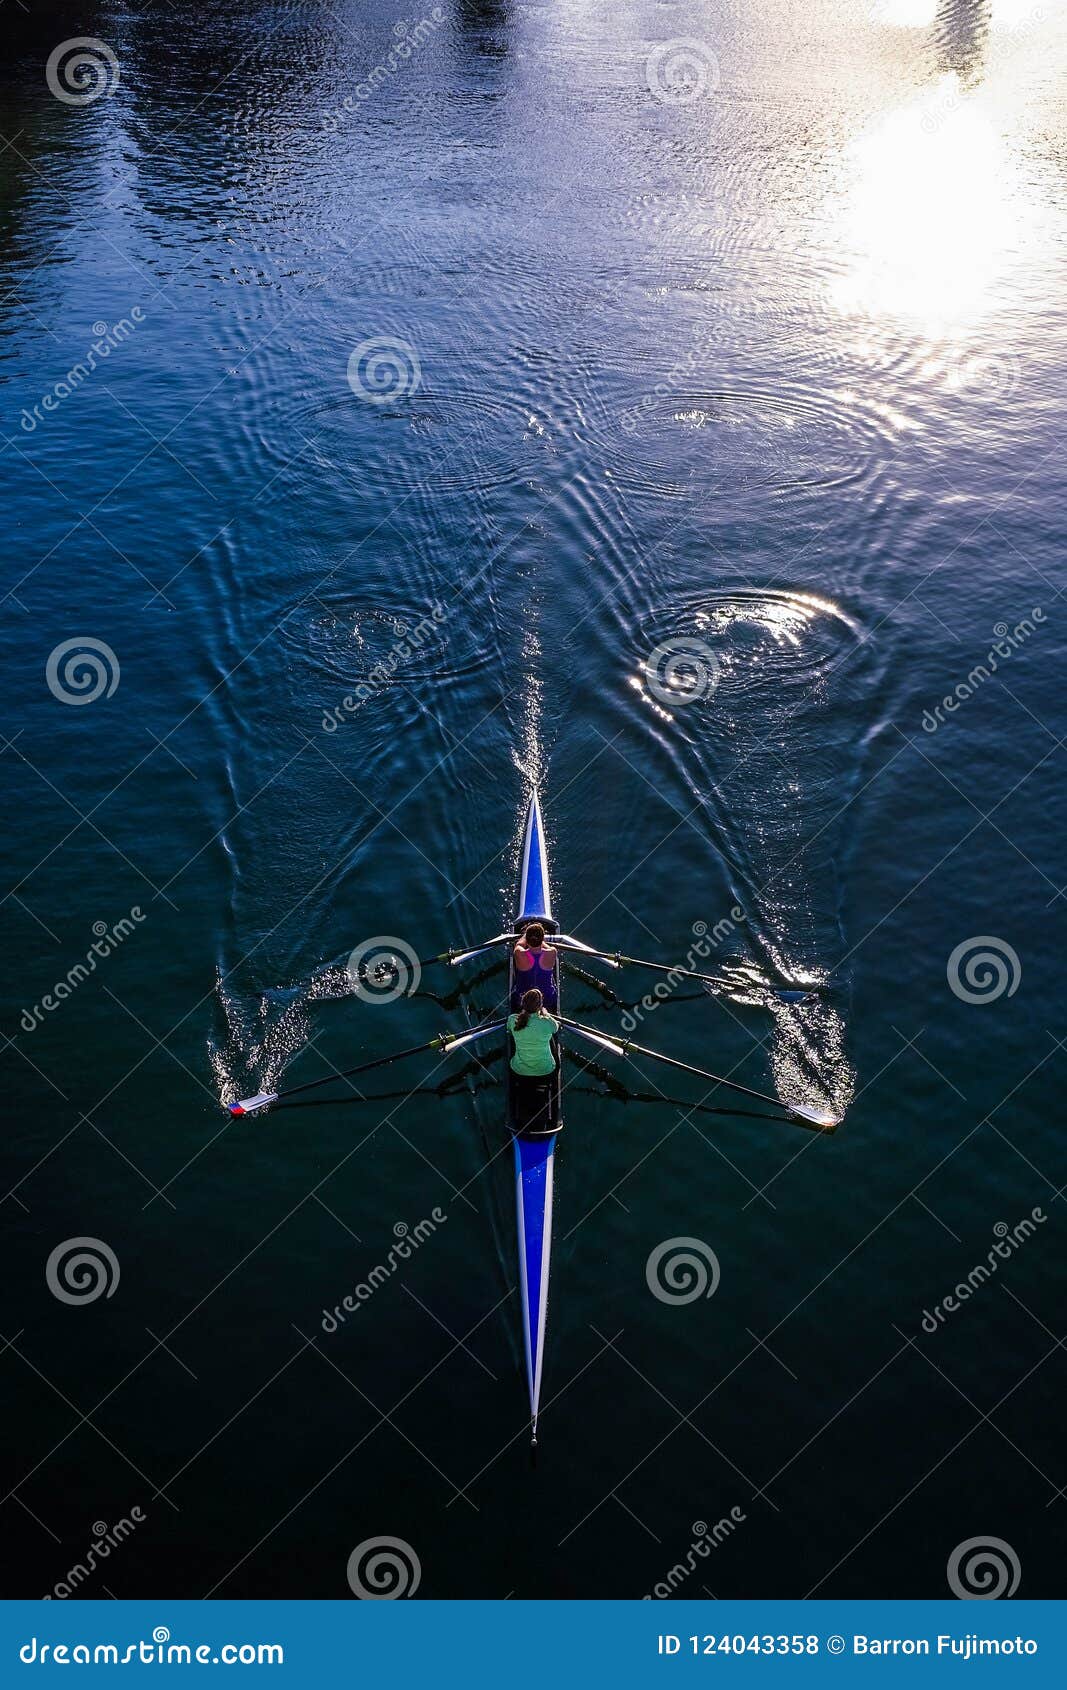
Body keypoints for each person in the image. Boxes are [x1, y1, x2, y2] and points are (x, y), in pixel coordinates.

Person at [507, 988, 560, 1082]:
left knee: (513, 1033)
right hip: (546, 1072)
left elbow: (509, 1028)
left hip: (519, 1071)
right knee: (551, 1034)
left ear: (523, 1003)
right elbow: (556, 1028)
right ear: (540, 1005)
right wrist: (546, 1014)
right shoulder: (547, 1022)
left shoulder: (512, 1019)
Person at [512, 920, 558, 1010]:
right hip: (547, 1000)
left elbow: (519, 944)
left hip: (522, 1000)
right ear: (542, 938)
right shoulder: (552, 952)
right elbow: (546, 947)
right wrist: (540, 940)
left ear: (527, 940)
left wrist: (526, 934)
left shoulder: (518, 953)